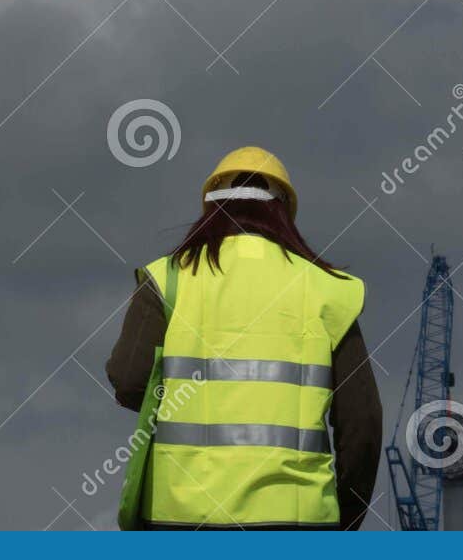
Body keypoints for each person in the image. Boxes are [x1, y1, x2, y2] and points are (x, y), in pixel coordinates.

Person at [105, 146, 383, 530]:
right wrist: (345, 520)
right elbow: (362, 421)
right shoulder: (326, 290)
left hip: (179, 519)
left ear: (210, 208)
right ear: (283, 211)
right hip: (296, 524)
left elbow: (129, 381)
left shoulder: (167, 281)